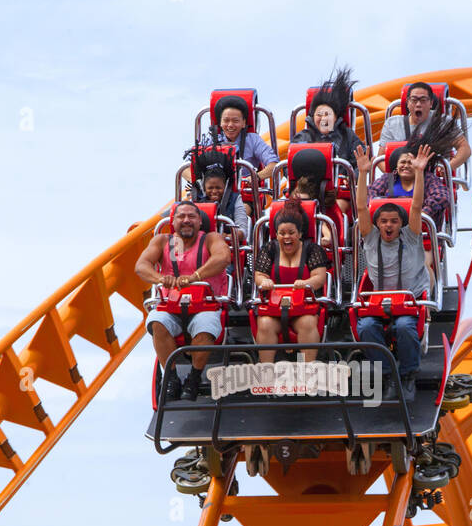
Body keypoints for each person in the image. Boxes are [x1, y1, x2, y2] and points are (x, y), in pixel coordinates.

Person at [353, 143, 434, 402]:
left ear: (401, 224)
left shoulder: (410, 237)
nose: (389, 225)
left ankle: (408, 374)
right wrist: (364, 173)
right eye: (384, 221)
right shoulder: (371, 237)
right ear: (377, 224)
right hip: (379, 302)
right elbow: (362, 209)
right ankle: (388, 375)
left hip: (408, 303)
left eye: (394, 221)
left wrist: (419, 172)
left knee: (404, 327)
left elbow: (417, 207)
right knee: (365, 327)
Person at [134, 201, 232, 401]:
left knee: (205, 326)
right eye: (181, 216)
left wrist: (195, 276)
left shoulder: (211, 239)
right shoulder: (162, 241)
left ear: (200, 221)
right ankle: (171, 377)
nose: (186, 220)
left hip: (205, 306)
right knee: (156, 321)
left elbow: (223, 257)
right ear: (173, 221)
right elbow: (141, 266)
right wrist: (161, 279)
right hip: (171, 306)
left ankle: (194, 377)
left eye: (192, 216)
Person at [251, 204, 330, 364]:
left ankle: (308, 373)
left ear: (300, 233)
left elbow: (320, 277)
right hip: (274, 307)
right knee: (265, 324)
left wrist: (306, 283)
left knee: (307, 323)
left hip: (303, 307)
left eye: (291, 233)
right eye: (282, 233)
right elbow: (259, 275)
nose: (286, 237)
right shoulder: (269, 248)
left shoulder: (312, 250)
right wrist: (264, 281)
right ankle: (266, 373)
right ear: (276, 235)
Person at [378, 81, 471, 170]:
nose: (418, 104)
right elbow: (380, 158)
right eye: (414, 100)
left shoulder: (442, 122)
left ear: (431, 103)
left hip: (432, 178)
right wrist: (392, 174)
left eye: (423, 100)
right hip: (402, 178)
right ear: (407, 103)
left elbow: (465, 149)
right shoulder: (392, 124)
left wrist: (448, 167)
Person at [291, 67, 367, 170]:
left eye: (327, 114)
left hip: (340, 183)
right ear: (313, 118)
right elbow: (290, 165)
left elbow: (362, 161)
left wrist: (352, 178)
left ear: (336, 117)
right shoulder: (304, 137)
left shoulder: (348, 136)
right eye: (319, 115)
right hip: (309, 184)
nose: (323, 118)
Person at [199, 96, 278, 181]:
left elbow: (274, 165)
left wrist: (255, 177)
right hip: (215, 190)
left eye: (235, 121)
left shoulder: (253, 140)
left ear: (244, 123)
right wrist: (199, 180)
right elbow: (186, 166)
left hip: (246, 189)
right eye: (226, 120)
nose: (230, 125)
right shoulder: (210, 140)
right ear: (220, 123)